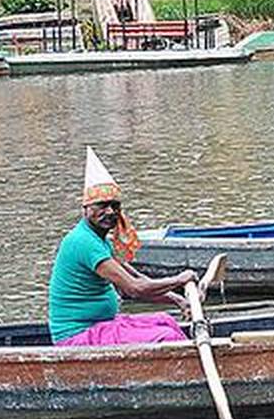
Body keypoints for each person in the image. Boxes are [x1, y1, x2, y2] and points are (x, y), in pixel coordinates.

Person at [48, 147, 194, 347]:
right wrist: (180, 279)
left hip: (101, 325)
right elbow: (134, 289)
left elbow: (138, 279)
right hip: (77, 336)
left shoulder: (101, 241)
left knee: (166, 321)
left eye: (114, 206)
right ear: (86, 209)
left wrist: (177, 299)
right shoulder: (83, 242)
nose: (109, 211)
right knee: (166, 337)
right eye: (102, 205)